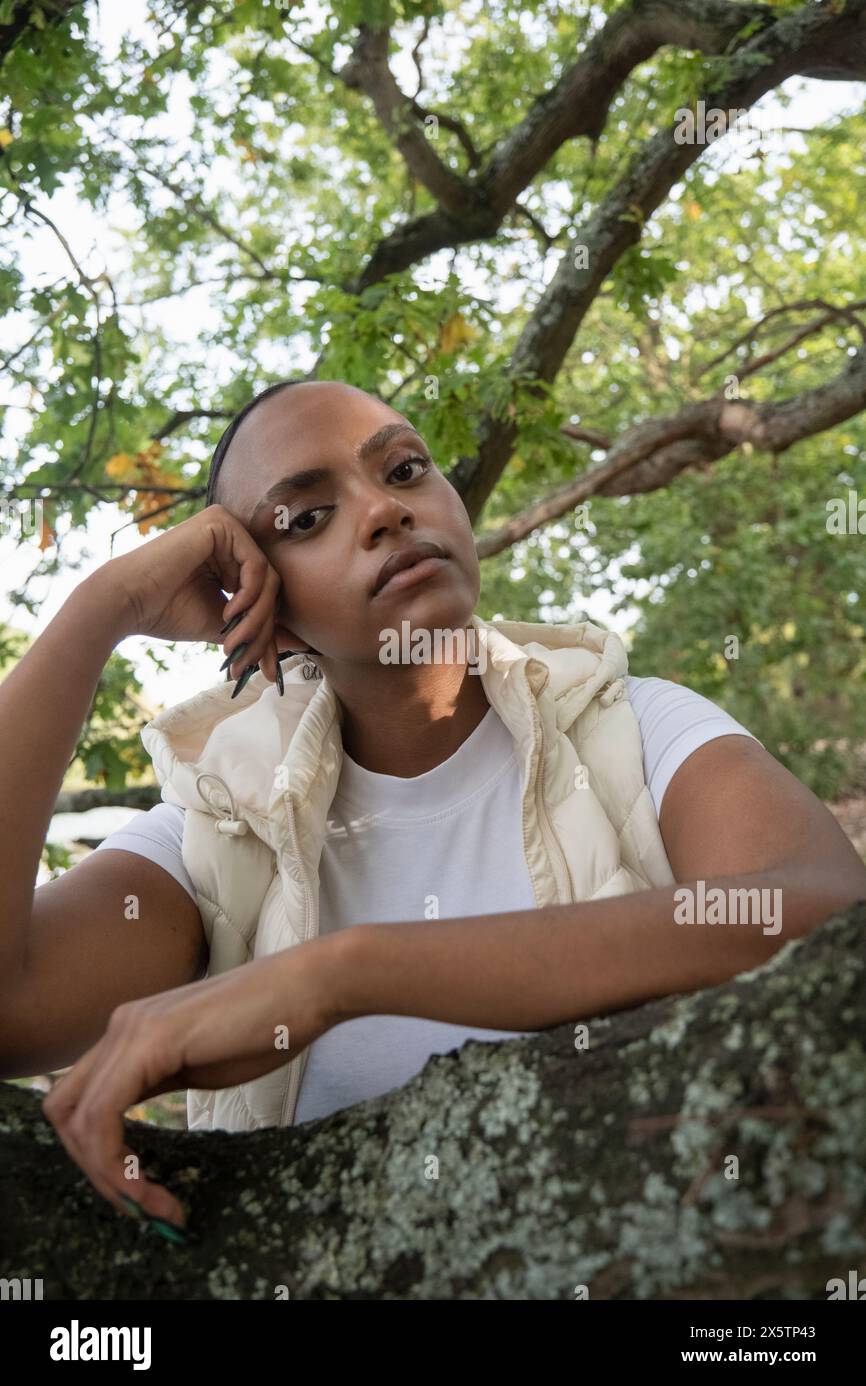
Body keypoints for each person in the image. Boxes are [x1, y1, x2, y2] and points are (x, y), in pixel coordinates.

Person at [1, 378, 863, 1237]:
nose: (382, 510)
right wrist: (99, 612)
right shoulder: (220, 829)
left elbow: (824, 908)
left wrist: (339, 976)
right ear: (262, 604)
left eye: (406, 469)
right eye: (304, 518)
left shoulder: (630, 726)